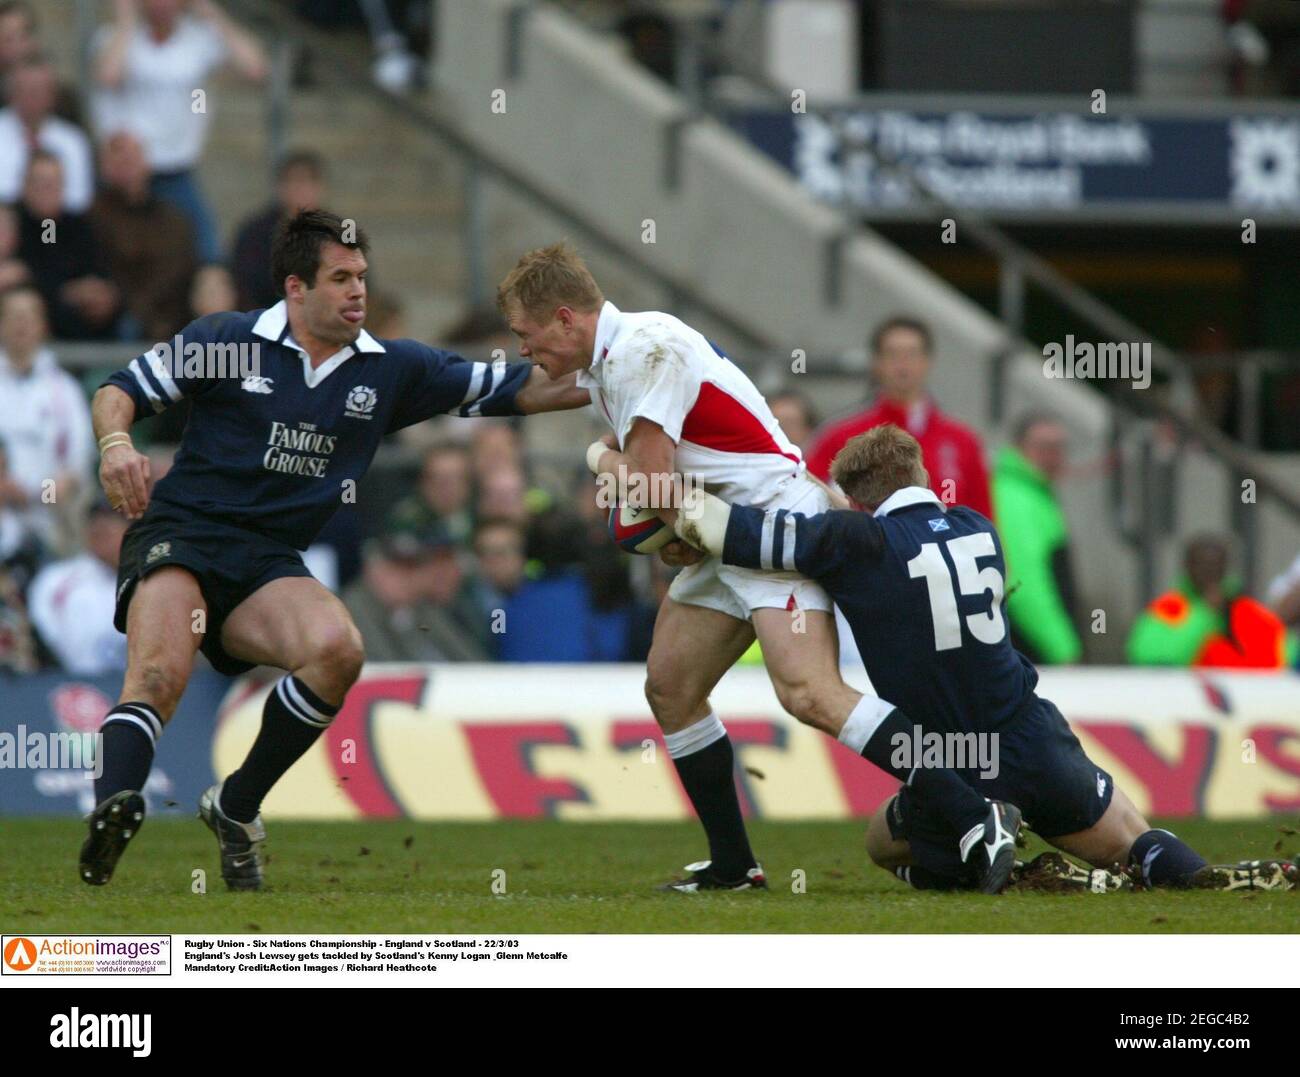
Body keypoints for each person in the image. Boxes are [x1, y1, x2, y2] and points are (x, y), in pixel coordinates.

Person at [83, 209, 590, 891]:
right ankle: (113, 809)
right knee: (157, 676)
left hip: (266, 562)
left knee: (338, 648)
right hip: (183, 534)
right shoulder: (226, 339)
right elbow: (118, 390)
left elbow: (525, 386)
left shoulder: (391, 367)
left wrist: (635, 376)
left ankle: (235, 806)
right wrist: (117, 444)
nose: (358, 291)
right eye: (341, 278)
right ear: (296, 287)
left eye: (363, 277)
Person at [504, 241, 1019, 893]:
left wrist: (597, 463)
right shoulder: (611, 363)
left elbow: (651, 492)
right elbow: (661, 481)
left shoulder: (646, 348)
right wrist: (643, 493)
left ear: (564, 317)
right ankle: (733, 865)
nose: (524, 349)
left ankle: (978, 814)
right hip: (727, 533)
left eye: (526, 334)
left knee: (811, 694)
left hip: (778, 527)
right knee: (670, 686)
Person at [673, 424, 1297, 893]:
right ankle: (1197, 879)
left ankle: (1016, 870)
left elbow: (735, 534)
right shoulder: (978, 527)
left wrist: (650, 487)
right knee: (1132, 840)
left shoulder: (854, 542)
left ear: (857, 501)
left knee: (882, 845)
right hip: (1029, 733)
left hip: (950, 761)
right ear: (919, 473)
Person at [92, 0, 268, 262]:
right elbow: (108, 75)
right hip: (124, 172)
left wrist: (210, 12)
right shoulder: (113, 37)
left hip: (176, 169)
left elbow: (256, 69)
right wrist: (126, 20)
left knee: (208, 253)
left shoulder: (198, 39)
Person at [804, 315, 992, 517]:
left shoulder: (962, 441)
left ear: (928, 361)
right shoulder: (841, 436)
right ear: (877, 363)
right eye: (892, 354)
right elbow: (809, 497)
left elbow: (983, 521)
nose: (902, 364)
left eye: (912, 354)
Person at [0, 285, 95, 551]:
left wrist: (33, 495)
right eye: (13, 316)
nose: (21, 324)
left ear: (43, 325)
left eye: (29, 317)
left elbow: (75, 470)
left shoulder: (65, 390)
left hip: (50, 526)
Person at [991, 411, 1083, 665]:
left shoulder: (1034, 492)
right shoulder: (1016, 498)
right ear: (1018, 448)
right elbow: (1025, 585)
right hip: (1030, 654)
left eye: (1059, 447)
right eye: (1044, 447)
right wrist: (1064, 651)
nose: (1053, 456)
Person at [1128, 534, 1297, 668]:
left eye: (1217, 565)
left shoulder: (1246, 612)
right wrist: (1205, 614)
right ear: (1187, 567)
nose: (1210, 573)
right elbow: (1149, 657)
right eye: (1202, 565)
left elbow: (1285, 654)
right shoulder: (1168, 608)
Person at [90, 130, 197, 341]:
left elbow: (177, 270)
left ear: (146, 163)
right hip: (113, 317)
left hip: (168, 314)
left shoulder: (173, 219)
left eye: (131, 159)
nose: (125, 167)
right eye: (117, 159)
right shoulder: (91, 218)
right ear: (104, 167)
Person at [17, 151, 120, 340]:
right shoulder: (14, 224)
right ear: (25, 185)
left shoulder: (79, 225)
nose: (48, 190)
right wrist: (68, 292)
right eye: (41, 182)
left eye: (54, 183)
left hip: (86, 324)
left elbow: (97, 268)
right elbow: (38, 268)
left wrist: (98, 291)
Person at [28, 499, 129, 675]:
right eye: (95, 521)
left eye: (112, 520)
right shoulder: (56, 579)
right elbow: (43, 641)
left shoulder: (149, 582)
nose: (101, 526)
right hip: (68, 684)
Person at [230, 150, 325, 311]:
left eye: (308, 181)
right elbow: (244, 283)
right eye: (294, 181)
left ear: (321, 188)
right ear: (281, 187)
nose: (301, 189)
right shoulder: (254, 233)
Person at [0, 54, 94, 211]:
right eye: (26, 89)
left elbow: (79, 198)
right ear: (11, 93)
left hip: (55, 223)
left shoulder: (72, 139)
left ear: (53, 95)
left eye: (39, 90)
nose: (33, 97)